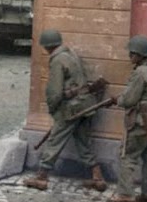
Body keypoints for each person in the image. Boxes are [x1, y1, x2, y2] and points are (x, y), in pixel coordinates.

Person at [24, 29, 106, 192]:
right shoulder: (72, 54)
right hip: (86, 105)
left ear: (47, 46)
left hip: (71, 108)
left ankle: (41, 176)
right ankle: (97, 176)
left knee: (55, 140)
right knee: (83, 142)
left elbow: (54, 90)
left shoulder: (57, 60)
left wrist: (53, 108)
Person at [108, 36, 147, 202]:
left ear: (139, 55)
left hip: (140, 122)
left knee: (127, 156)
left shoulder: (141, 73)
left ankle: (125, 194)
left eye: (132, 54)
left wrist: (118, 100)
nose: (130, 57)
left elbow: (129, 99)